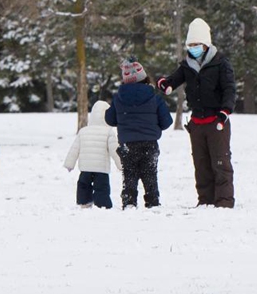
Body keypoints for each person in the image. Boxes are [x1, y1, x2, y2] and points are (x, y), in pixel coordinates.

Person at [156, 18, 237, 208]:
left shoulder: (221, 63)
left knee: (220, 162)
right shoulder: (187, 65)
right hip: (197, 123)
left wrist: (225, 111)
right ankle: (205, 200)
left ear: (206, 44)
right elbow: (175, 79)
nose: (193, 48)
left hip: (217, 121)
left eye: (197, 44)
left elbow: (230, 89)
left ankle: (224, 201)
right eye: (190, 45)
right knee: (201, 165)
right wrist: (166, 84)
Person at [105, 59, 173, 209]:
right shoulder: (155, 98)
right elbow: (167, 122)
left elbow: (109, 119)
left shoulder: (118, 98)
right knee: (150, 175)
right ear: (144, 78)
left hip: (127, 144)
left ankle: (129, 202)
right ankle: (153, 202)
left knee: (129, 175)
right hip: (149, 143)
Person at [63, 100, 122, 209]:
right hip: (101, 168)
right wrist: (121, 165)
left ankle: (84, 202)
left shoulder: (83, 131)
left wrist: (69, 164)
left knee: (83, 185)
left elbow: (74, 149)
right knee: (102, 187)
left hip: (85, 167)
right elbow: (115, 150)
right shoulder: (108, 132)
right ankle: (102, 204)